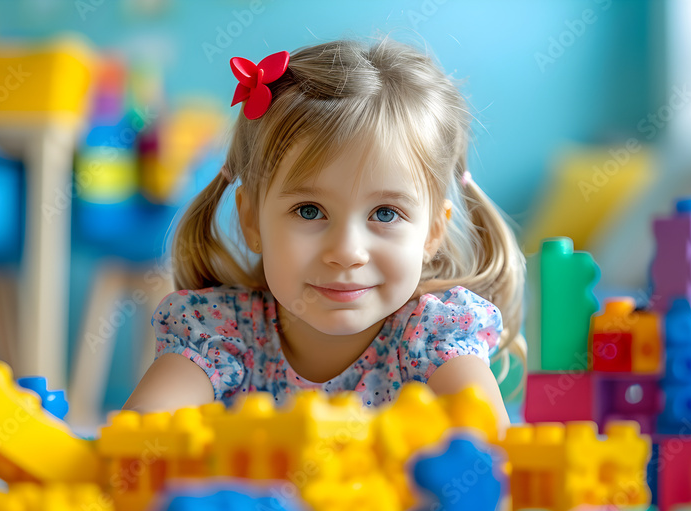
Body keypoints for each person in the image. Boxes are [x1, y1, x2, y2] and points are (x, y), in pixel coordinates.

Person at [123, 37, 527, 429]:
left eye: (385, 213)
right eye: (309, 210)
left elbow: (489, 452)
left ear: (432, 232)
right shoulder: (221, 330)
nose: (347, 251)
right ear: (251, 221)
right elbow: (140, 434)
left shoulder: (432, 336)